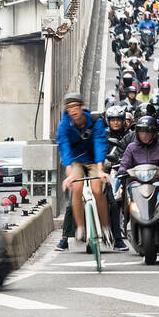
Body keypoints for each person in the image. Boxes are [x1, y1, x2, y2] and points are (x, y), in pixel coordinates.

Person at [56, 92, 110, 246]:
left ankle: (105, 227)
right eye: (69, 108)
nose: (72, 111)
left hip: (94, 160)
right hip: (76, 160)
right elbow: (64, 147)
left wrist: (100, 169)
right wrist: (69, 173)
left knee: (97, 190)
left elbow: (100, 143)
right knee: (77, 187)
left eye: (75, 106)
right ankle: (80, 227)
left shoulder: (95, 121)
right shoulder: (64, 125)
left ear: (82, 107)